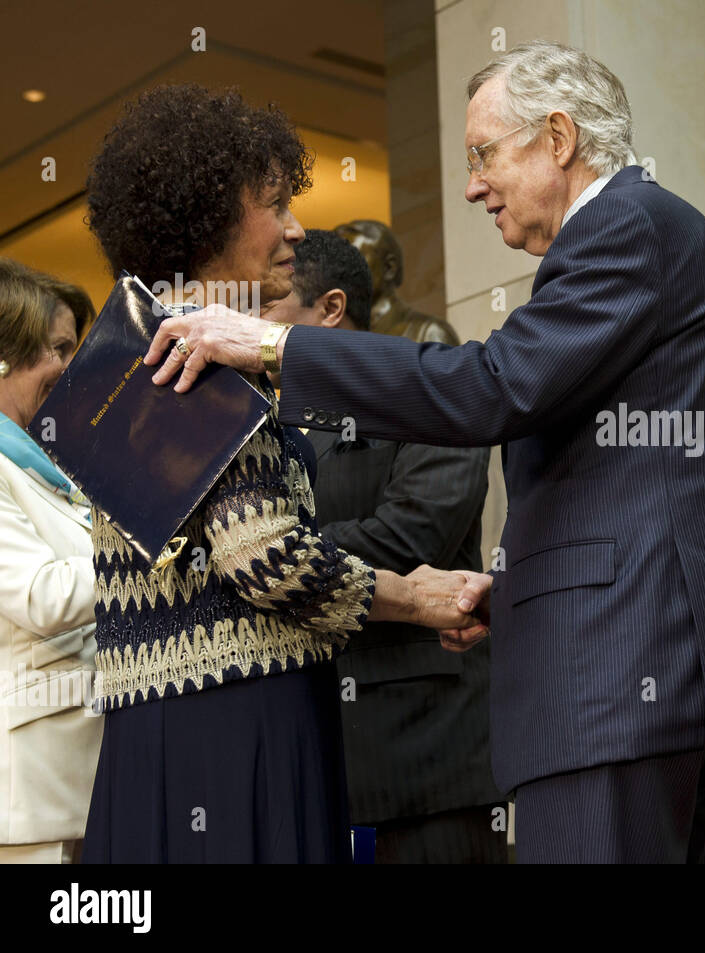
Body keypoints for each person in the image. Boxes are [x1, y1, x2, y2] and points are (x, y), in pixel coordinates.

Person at [144, 42, 705, 864]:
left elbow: (491, 386)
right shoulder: (641, 234)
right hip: (648, 673)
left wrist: (274, 347)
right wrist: (517, 595)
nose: (473, 184)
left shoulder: (626, 226)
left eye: (484, 155)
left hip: (618, 686)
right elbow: (616, 480)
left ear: (558, 138)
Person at [79, 84, 489, 863]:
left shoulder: (132, 360)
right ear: (207, 219)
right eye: (276, 204)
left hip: (152, 729)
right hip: (240, 728)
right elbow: (265, 558)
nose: (298, 228)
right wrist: (418, 595)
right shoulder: (209, 362)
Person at [263, 230, 506, 863]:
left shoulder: (431, 393)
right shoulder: (274, 425)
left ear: (330, 310)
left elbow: (413, 535)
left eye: (269, 308)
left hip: (428, 756)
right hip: (313, 751)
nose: (251, 327)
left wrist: (278, 552)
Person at [0, 259, 99, 864]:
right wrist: (145, 546)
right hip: (32, 792)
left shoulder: (52, 465)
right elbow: (39, 595)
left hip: (89, 771)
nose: (71, 369)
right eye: (59, 349)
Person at [334, 219, 460, 345]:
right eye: (339, 263)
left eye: (353, 260)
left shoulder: (428, 333)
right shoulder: (342, 340)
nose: (341, 270)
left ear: (389, 267)